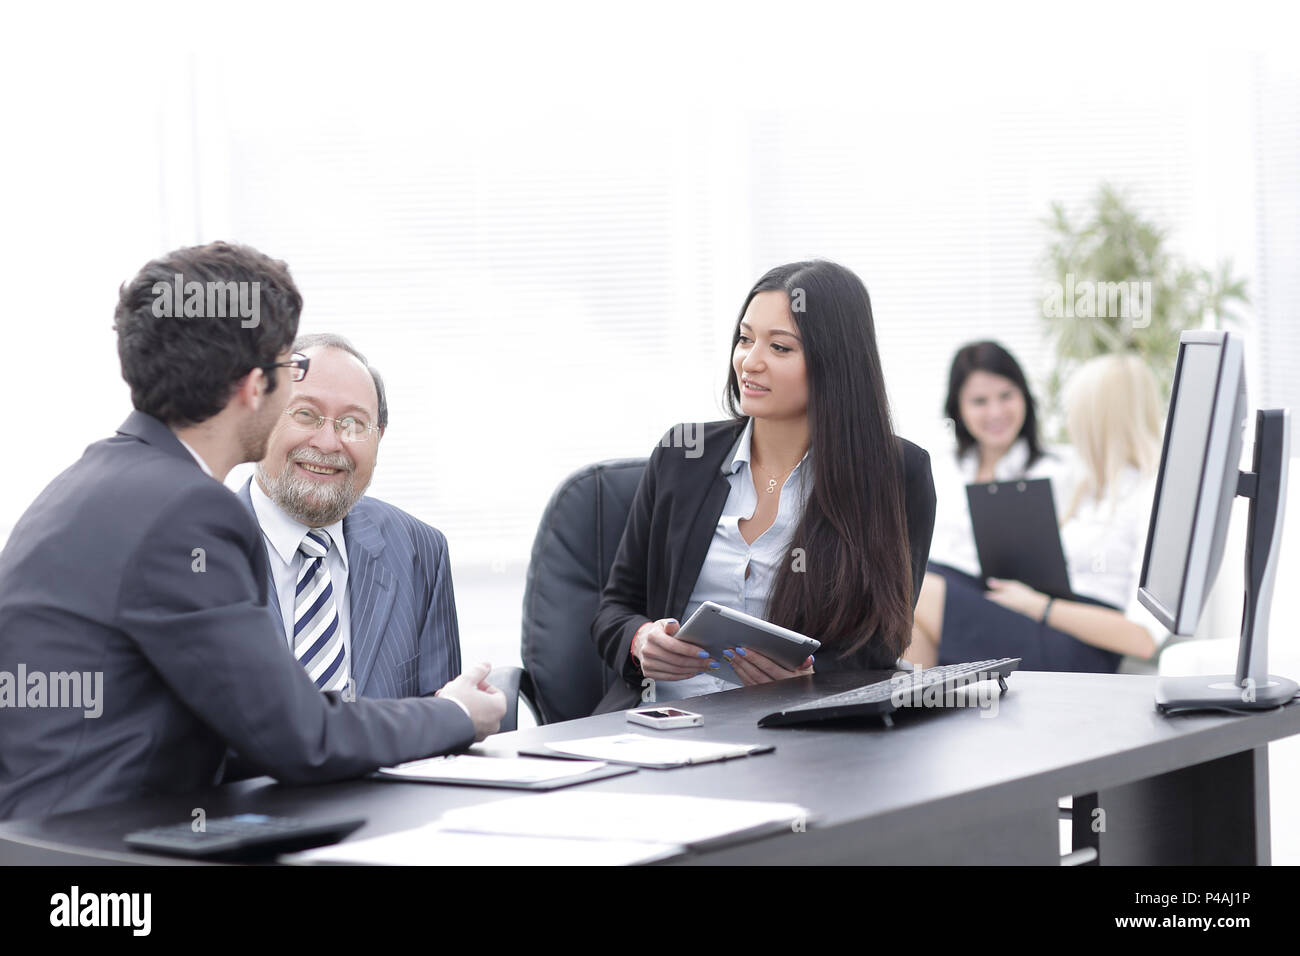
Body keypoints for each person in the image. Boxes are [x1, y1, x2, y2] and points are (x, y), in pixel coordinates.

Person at [0, 242, 503, 820]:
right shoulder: (185, 512)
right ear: (250, 386)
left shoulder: (95, 481)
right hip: (107, 861)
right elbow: (297, 736)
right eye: (291, 369)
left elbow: (237, 725)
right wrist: (457, 714)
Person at [591, 260, 936, 710]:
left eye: (779, 347)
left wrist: (810, 677)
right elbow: (613, 608)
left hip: (797, 732)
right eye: (745, 338)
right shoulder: (682, 454)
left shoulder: (896, 472)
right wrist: (641, 640)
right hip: (658, 720)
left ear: (836, 361)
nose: (749, 362)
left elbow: (881, 643)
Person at [906, 353, 1166, 672]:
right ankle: (912, 710)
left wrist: (1040, 606)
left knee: (911, 586)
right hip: (1046, 615)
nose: (1068, 424)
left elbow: (1143, 639)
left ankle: (911, 709)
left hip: (1079, 644)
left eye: (1074, 413)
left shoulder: (1148, 494)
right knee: (910, 575)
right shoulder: (1090, 484)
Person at [240, 333, 461, 699]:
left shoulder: (422, 551)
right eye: (306, 414)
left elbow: (445, 730)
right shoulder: (195, 550)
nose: (328, 443)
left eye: (354, 423)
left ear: (379, 437)